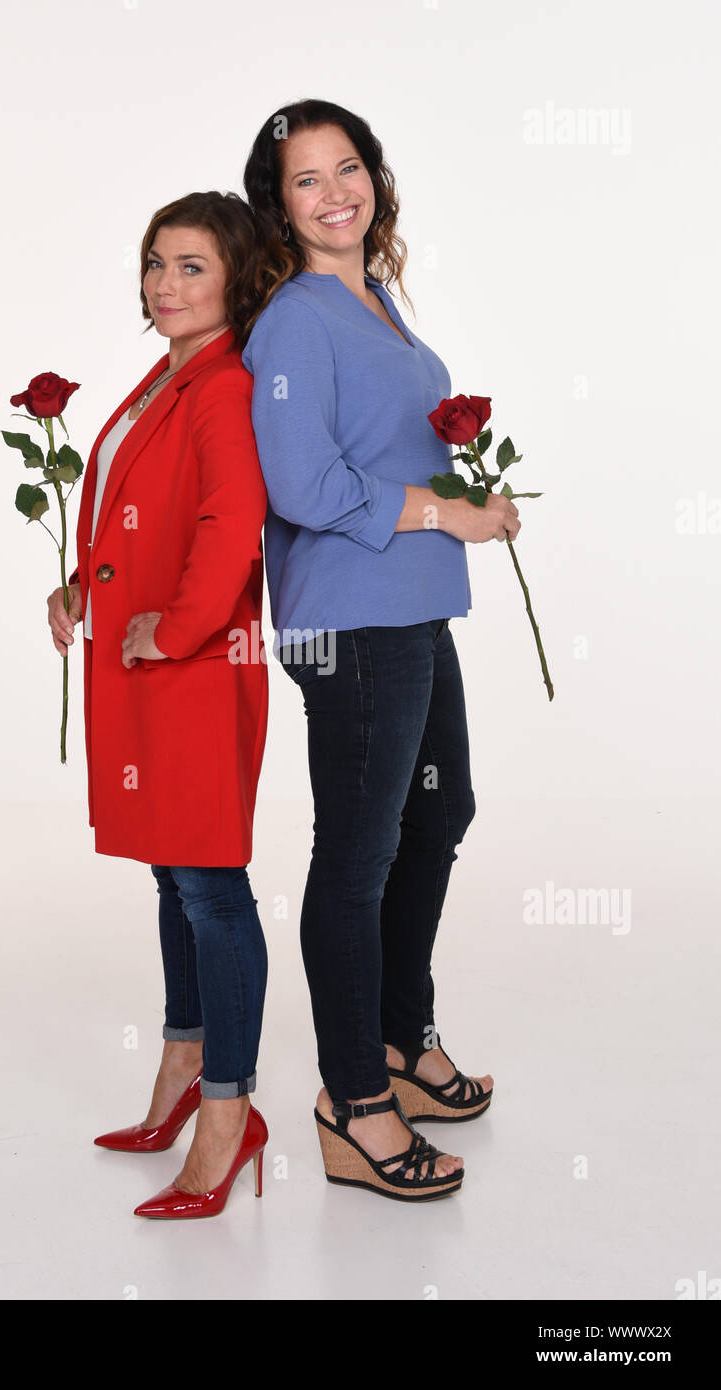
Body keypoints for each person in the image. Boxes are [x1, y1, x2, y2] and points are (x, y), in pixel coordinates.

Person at [242, 101, 521, 1202]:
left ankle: (402, 1041)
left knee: (437, 813)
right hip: (346, 617)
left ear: (373, 176)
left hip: (407, 605)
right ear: (282, 205)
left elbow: (381, 450)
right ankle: (353, 1100)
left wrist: (468, 498)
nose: (332, 193)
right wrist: (439, 513)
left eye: (345, 167)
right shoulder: (296, 321)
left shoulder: (379, 299)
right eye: (306, 180)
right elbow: (301, 487)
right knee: (356, 855)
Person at [46, 192, 270, 1220]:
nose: (165, 284)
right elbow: (128, 508)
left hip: (192, 665)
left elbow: (232, 525)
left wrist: (174, 627)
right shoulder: (166, 376)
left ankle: (228, 1109)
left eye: (190, 266)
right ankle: (185, 1062)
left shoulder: (224, 384)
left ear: (236, 276)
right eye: (155, 264)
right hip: (140, 661)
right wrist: (81, 588)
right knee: (174, 872)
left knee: (212, 885)